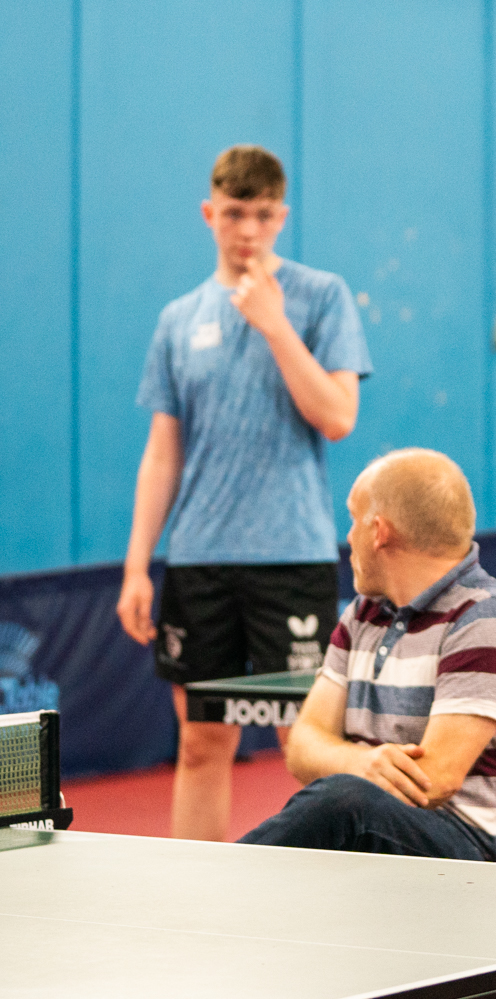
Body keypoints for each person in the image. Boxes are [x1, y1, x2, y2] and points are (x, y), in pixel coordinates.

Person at [116, 145, 373, 841]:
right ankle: (195, 899)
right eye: (234, 213)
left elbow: (338, 416)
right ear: (209, 214)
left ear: (281, 216)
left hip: (291, 559)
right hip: (199, 562)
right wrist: (138, 564)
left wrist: (274, 322)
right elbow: (162, 451)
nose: (249, 229)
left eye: (263, 214)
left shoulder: (321, 297)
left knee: (311, 746)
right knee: (201, 741)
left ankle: (334, 893)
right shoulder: (177, 319)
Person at [240, 449, 496, 862]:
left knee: (345, 802)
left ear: (378, 531)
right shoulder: (363, 614)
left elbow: (432, 781)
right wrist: (362, 762)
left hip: (475, 857)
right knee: (346, 800)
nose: (348, 537)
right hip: (381, 837)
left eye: (353, 520)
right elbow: (301, 746)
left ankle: (218, 884)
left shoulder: (489, 619)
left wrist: (348, 771)